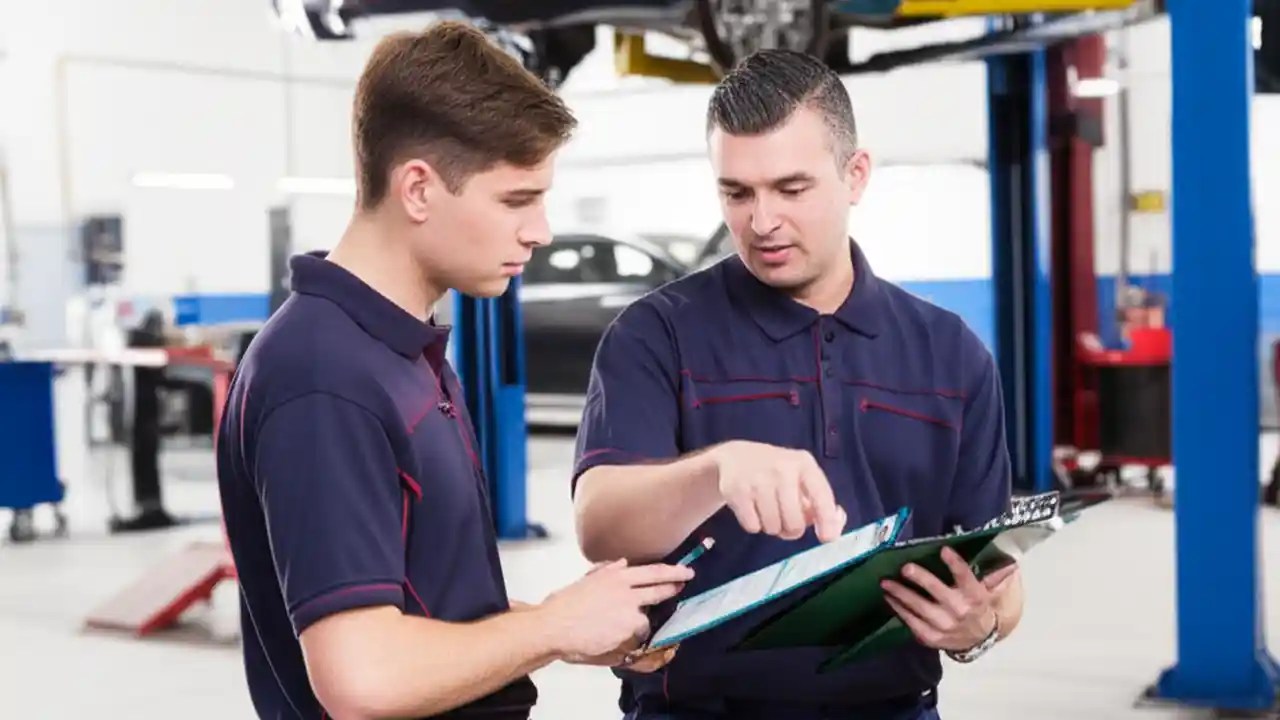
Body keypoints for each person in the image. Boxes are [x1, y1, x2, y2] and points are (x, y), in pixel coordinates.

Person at [216, 21, 691, 720]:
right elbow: (362, 678)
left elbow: (428, 607)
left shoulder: (402, 353)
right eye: (517, 199)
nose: (542, 231)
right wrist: (551, 625)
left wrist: (570, 627)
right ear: (417, 189)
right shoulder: (322, 378)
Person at [571, 49, 1024, 720]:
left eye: (791, 188)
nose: (762, 221)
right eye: (737, 192)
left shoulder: (950, 354)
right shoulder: (655, 335)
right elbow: (599, 526)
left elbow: (1000, 573)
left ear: (855, 175)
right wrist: (716, 471)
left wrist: (980, 626)